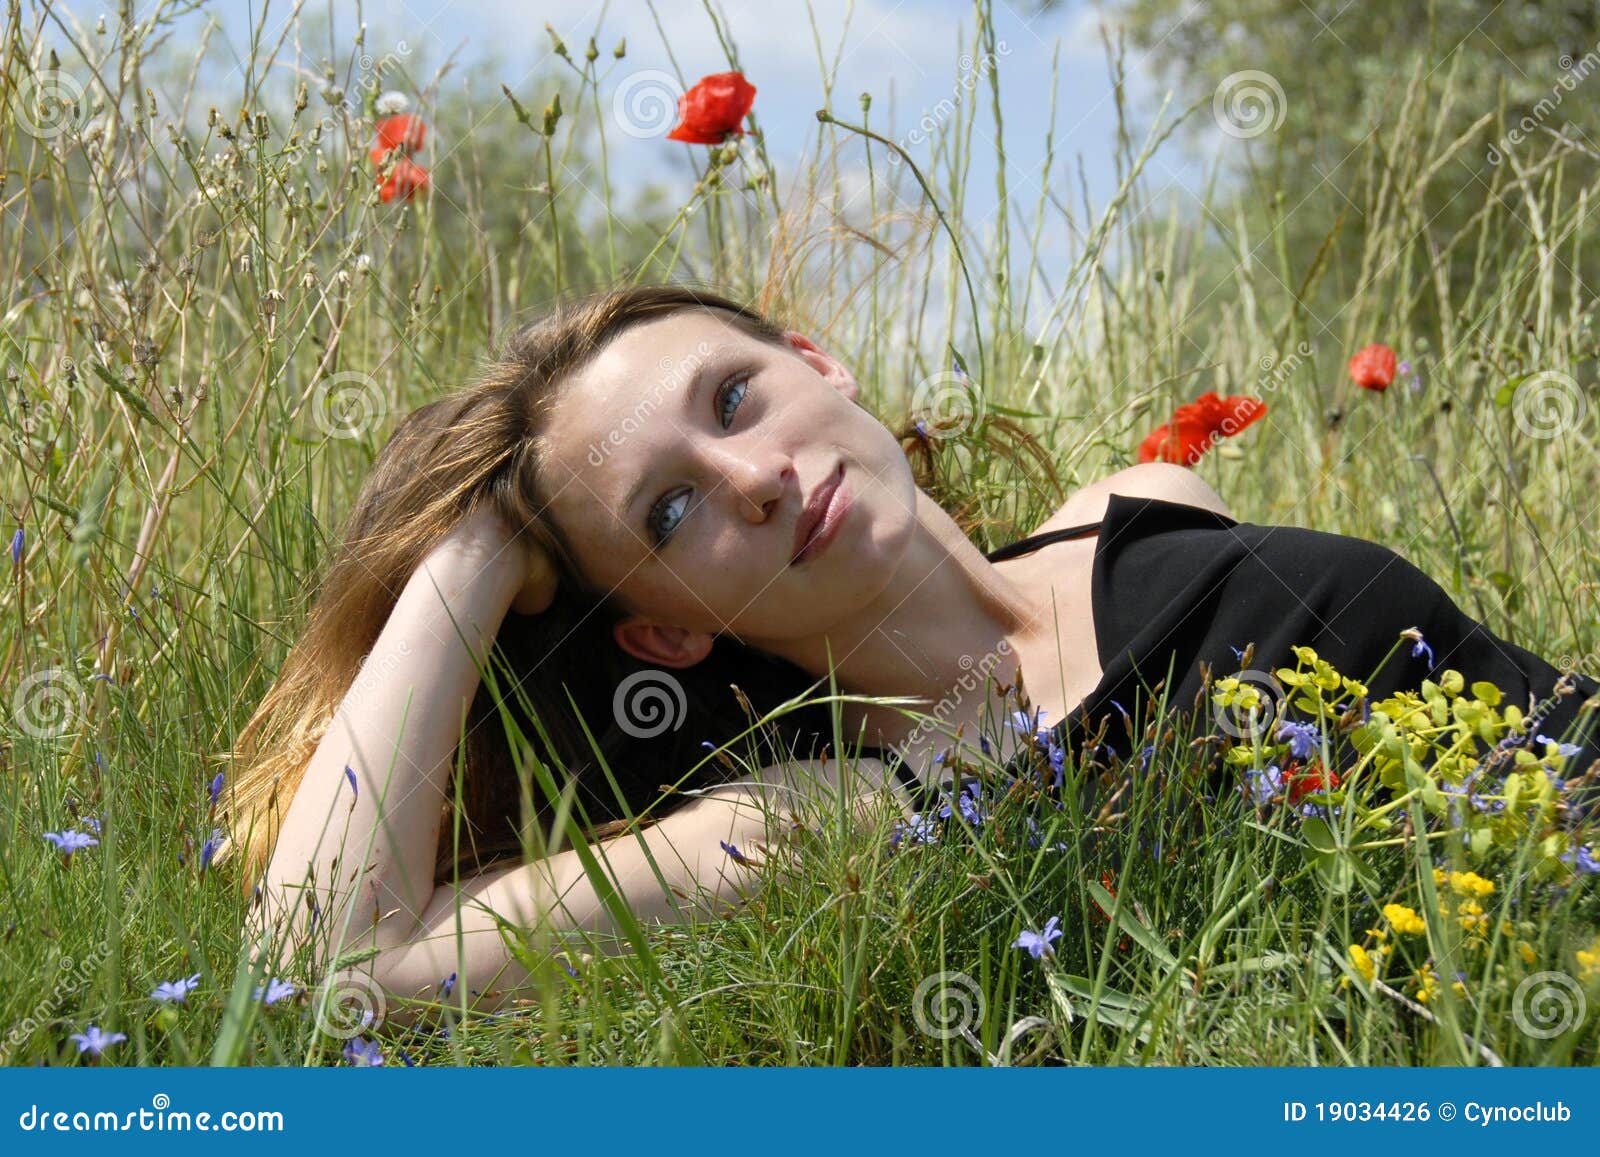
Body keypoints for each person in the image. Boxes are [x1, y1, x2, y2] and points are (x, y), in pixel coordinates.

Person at [220, 284, 1598, 1017]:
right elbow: (337, 960)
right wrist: (475, 547)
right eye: (673, 505)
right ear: (663, 627)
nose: (752, 474)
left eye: (737, 394)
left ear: (824, 362)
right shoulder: (826, 815)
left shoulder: (1144, 506)